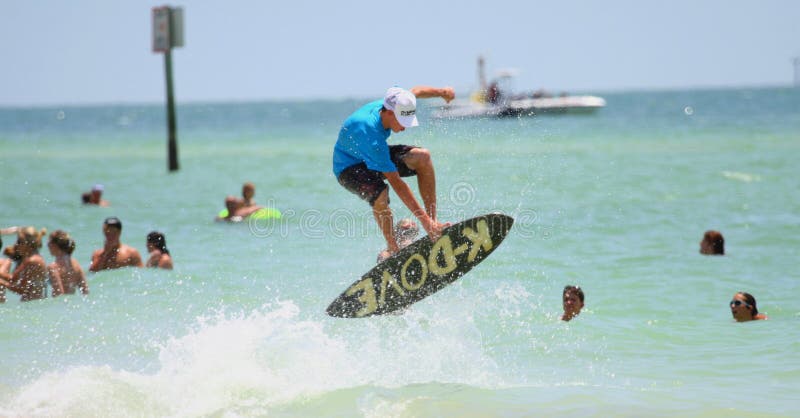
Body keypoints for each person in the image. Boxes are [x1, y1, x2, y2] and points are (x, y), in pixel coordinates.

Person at [333, 86, 455, 259]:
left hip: (367, 154)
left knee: (423, 157)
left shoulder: (397, 101)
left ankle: (433, 223)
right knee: (380, 195)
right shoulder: (370, 133)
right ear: (389, 113)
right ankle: (392, 249)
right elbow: (397, 183)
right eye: (402, 122)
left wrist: (441, 92)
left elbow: (416, 91)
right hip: (348, 168)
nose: (405, 128)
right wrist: (423, 223)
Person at [0, 227, 48, 302]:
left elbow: (22, 290)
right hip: (35, 304)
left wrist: (2, 282)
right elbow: (13, 279)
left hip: (33, 306)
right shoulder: (33, 259)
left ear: (28, 243)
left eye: (19, 241)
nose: (16, 244)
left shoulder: (32, 261)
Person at [46, 230, 89, 297]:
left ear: (54, 245)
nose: (47, 246)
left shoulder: (53, 267)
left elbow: (59, 294)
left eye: (48, 243)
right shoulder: (76, 265)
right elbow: (85, 292)